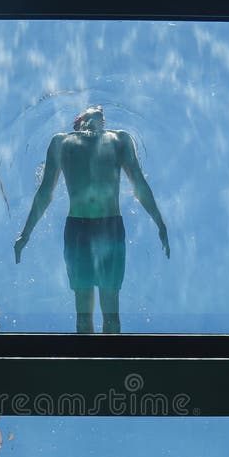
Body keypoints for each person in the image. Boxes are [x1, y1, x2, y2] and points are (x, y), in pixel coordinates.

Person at [14, 105, 169, 333]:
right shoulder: (60, 142)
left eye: (102, 113)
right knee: (83, 316)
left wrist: (159, 222)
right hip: (78, 229)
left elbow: (139, 185)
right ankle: (86, 364)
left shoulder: (120, 139)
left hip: (110, 227)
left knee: (111, 315)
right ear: (79, 118)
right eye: (95, 109)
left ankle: (110, 364)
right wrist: (25, 233)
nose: (101, 111)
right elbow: (45, 192)